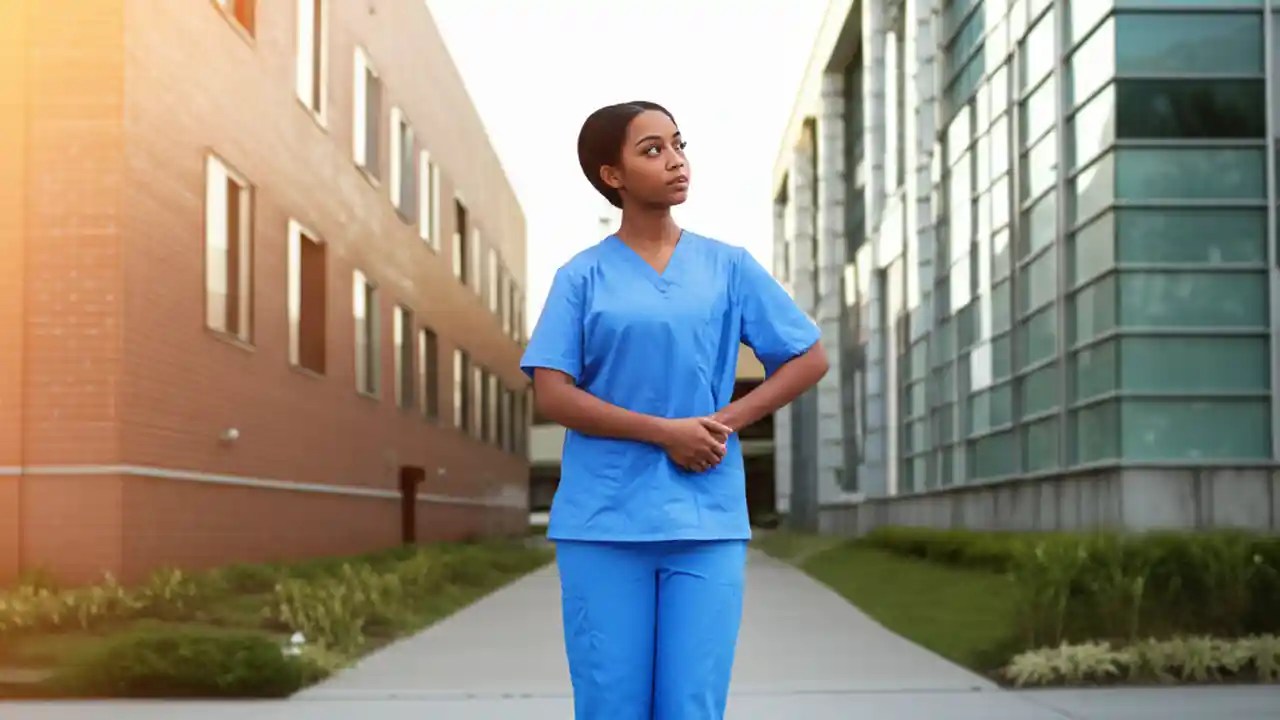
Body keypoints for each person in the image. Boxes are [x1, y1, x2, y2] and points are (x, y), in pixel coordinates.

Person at [520, 101, 829, 720]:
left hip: (704, 521)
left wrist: (720, 425)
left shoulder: (729, 267)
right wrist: (665, 433)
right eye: (653, 149)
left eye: (678, 144)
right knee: (611, 705)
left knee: (692, 706)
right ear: (613, 175)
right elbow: (553, 393)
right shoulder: (581, 277)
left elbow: (808, 357)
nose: (676, 160)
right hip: (604, 523)